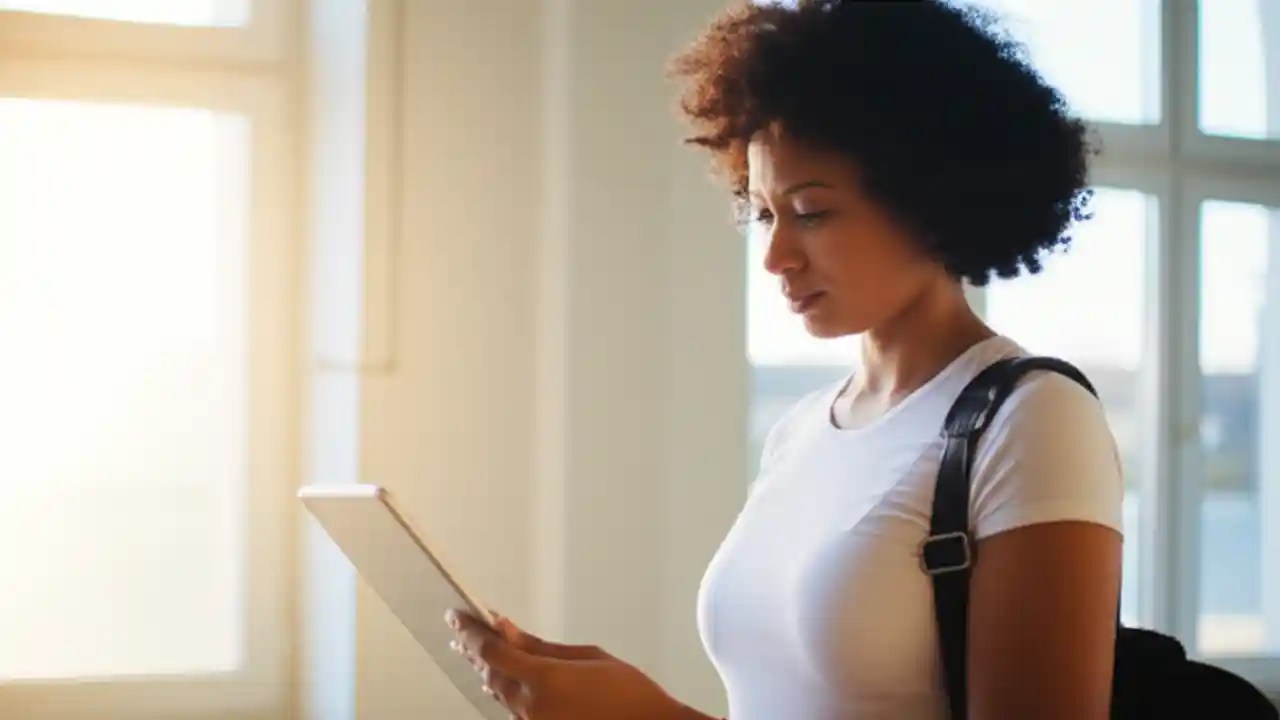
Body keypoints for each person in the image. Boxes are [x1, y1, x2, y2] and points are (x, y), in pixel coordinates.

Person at [447, 1, 1124, 718]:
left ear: (934, 201)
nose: (773, 256)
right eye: (764, 213)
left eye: (812, 211)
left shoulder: (1032, 421)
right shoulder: (800, 432)